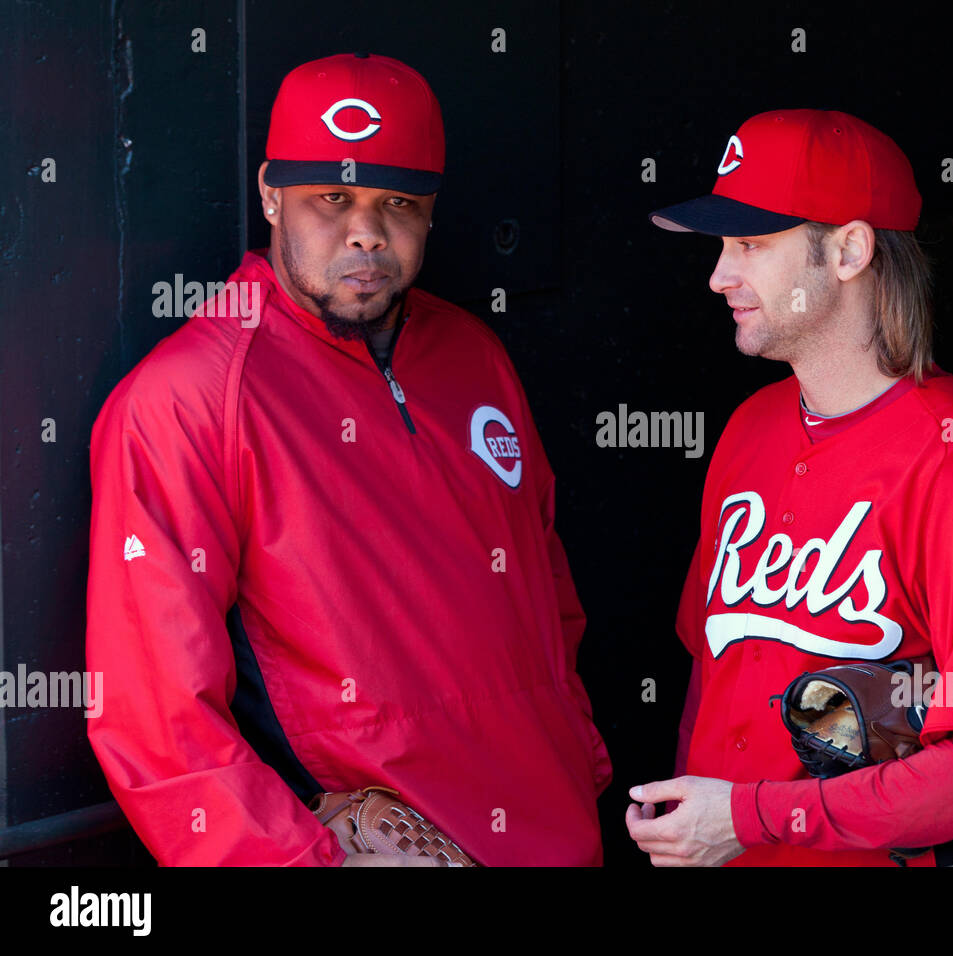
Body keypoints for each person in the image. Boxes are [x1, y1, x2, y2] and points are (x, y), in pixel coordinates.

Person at [85, 52, 610, 866]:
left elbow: (547, 593)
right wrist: (296, 861)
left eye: (397, 202)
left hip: (557, 832)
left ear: (432, 210)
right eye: (332, 197)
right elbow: (155, 716)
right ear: (270, 192)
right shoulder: (187, 398)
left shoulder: (475, 355)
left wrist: (580, 752)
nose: (366, 229)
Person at [626, 109, 953, 867]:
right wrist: (697, 820)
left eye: (751, 244)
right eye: (720, 246)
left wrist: (752, 818)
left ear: (848, 250)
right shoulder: (750, 429)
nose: (718, 276)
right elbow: (711, 669)